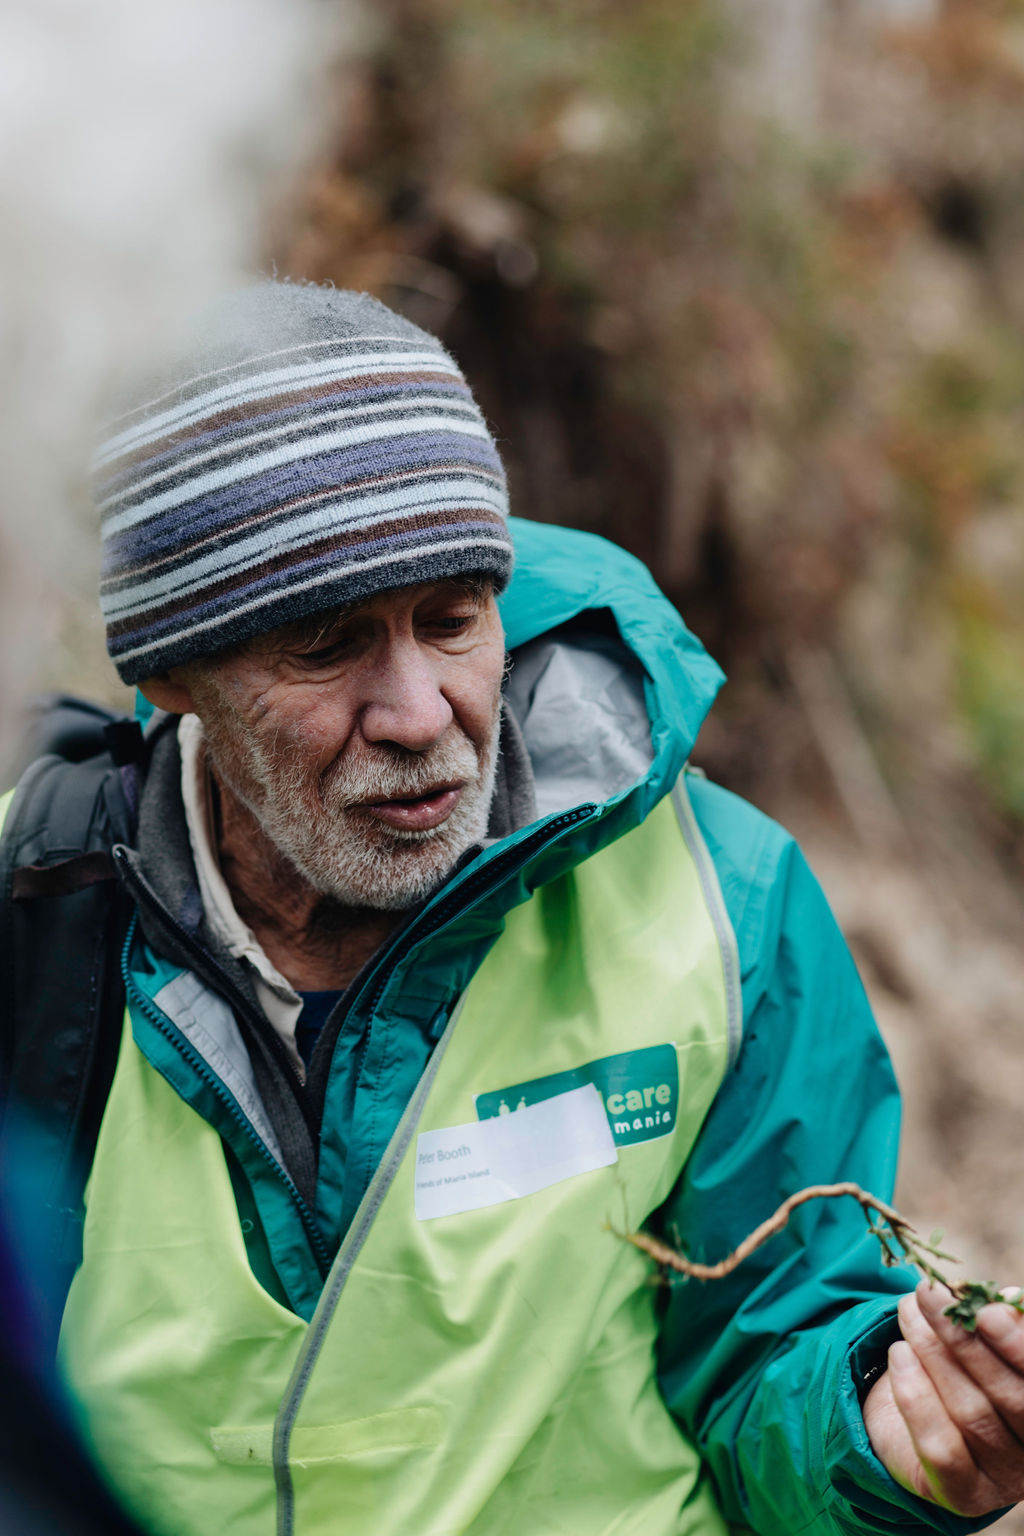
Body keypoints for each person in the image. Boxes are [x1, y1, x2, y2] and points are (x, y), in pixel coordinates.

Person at [3, 278, 1024, 1536]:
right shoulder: (29, 910)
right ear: (173, 678)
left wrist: (888, 1437)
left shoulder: (720, 901)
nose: (421, 712)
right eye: (325, 646)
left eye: (451, 620)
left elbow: (774, 1356)